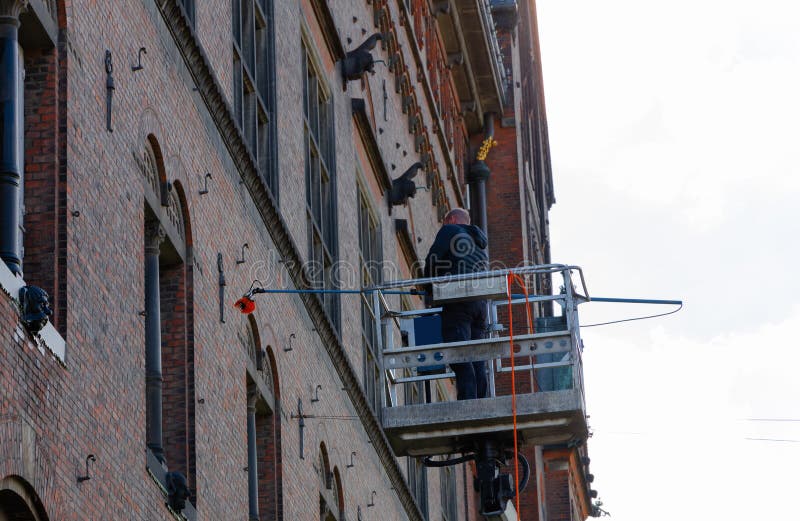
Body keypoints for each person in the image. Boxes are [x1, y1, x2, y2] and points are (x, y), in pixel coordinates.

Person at [424, 208, 489, 400]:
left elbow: (433, 259)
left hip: (459, 300)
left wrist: (428, 288)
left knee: (459, 354)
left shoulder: (449, 230)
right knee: (477, 358)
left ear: (451, 219)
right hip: (480, 305)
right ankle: (482, 403)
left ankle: (468, 403)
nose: (443, 225)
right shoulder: (479, 243)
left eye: (444, 221)